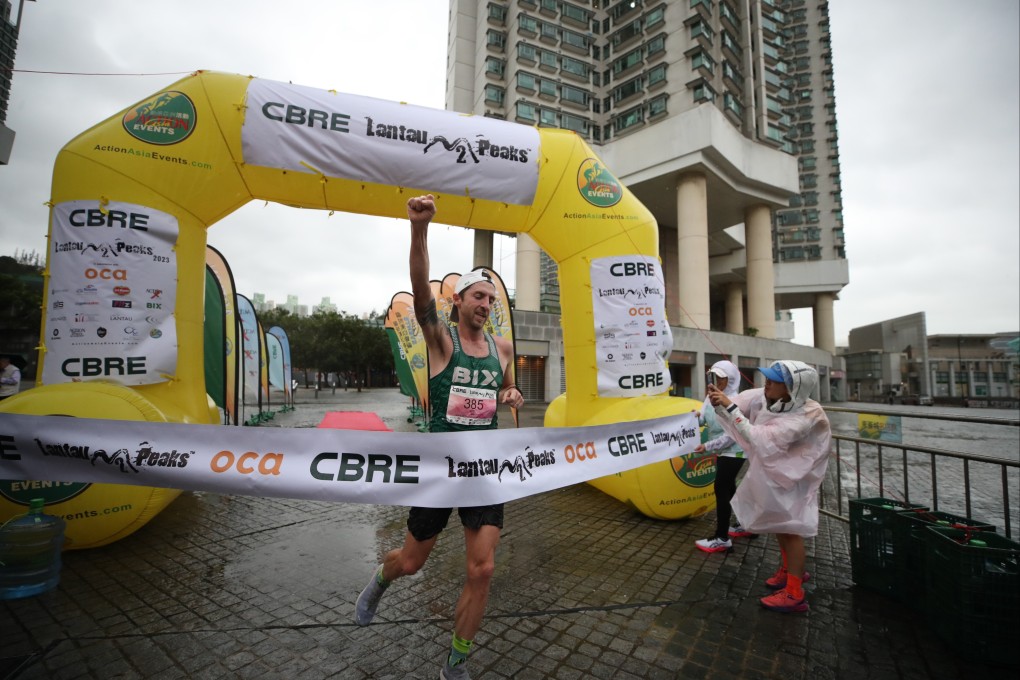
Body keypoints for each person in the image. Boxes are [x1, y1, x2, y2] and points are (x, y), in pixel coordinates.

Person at [355, 194, 524, 680]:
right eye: (479, 296)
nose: (487, 305)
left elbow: (503, 384)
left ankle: (456, 663)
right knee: (411, 562)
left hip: (483, 469)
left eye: (491, 299)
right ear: (459, 301)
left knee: (483, 570)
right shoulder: (441, 340)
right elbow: (418, 290)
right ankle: (380, 579)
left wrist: (510, 392)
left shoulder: (504, 346)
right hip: (439, 468)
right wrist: (419, 230)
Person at [706, 360, 831, 613]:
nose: (767, 383)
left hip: (792, 479)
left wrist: (729, 407)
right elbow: (742, 402)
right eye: (768, 378)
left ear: (792, 388)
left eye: (774, 381)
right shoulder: (770, 399)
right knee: (780, 526)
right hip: (776, 475)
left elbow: (760, 438)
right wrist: (721, 402)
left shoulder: (805, 415)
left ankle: (795, 592)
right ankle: (788, 571)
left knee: (790, 530)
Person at [693, 360, 754, 553]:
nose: (716, 381)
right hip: (721, 450)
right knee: (730, 489)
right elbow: (703, 417)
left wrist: (707, 446)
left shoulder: (736, 401)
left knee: (720, 488)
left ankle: (721, 537)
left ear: (731, 379)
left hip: (734, 451)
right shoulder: (710, 396)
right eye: (713, 377)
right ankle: (746, 525)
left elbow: (731, 436)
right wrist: (693, 417)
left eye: (721, 378)